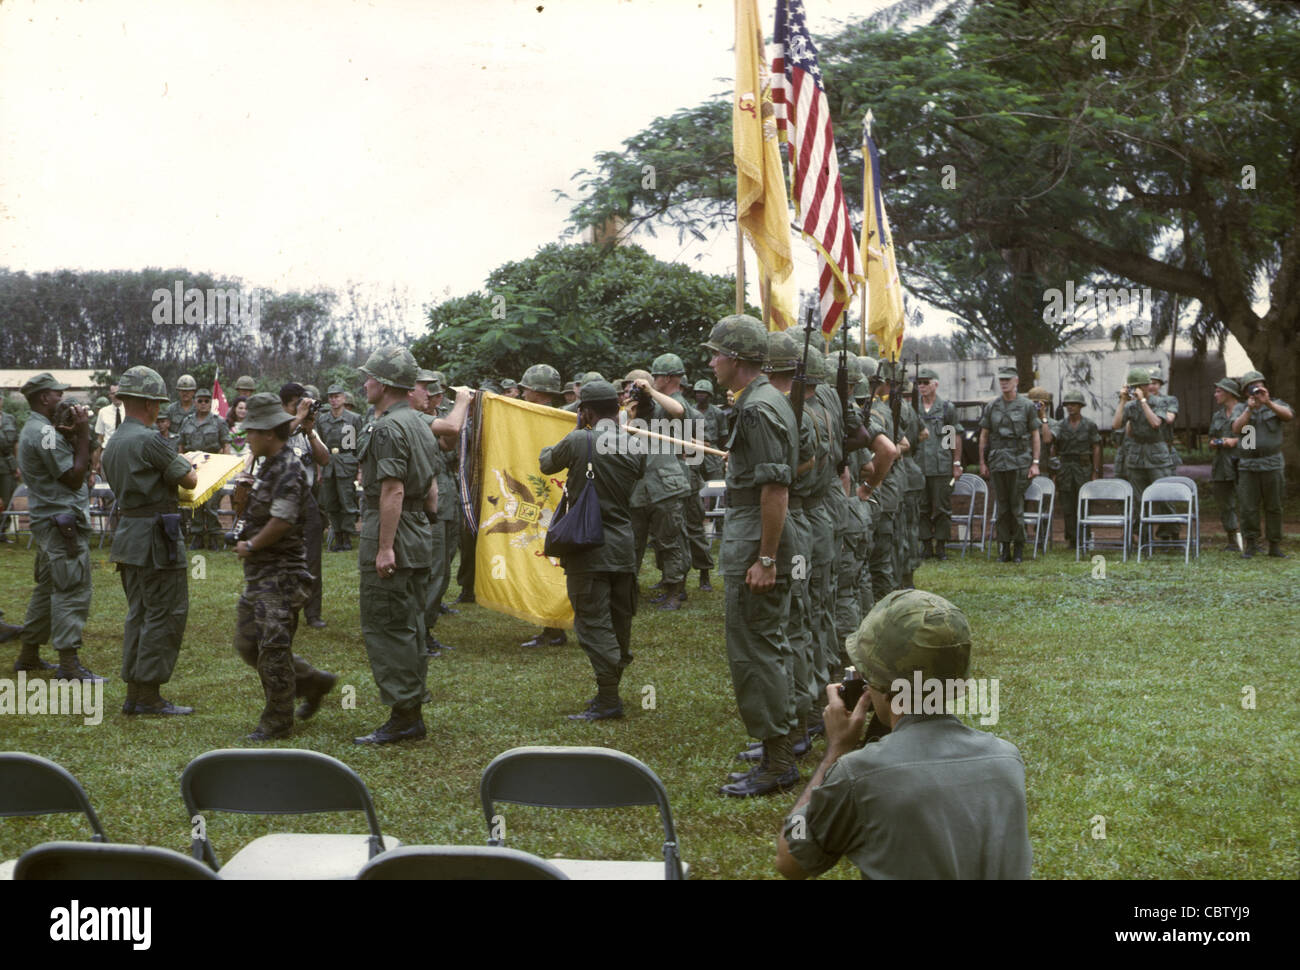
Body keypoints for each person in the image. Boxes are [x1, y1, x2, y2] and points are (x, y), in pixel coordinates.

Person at [775, 589, 1032, 880]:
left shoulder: (859, 774)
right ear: (959, 684)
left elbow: (789, 860)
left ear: (878, 687)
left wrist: (835, 752)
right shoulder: (1007, 759)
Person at [705, 314, 800, 798]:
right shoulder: (763, 401)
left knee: (755, 651)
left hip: (757, 539)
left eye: (718, 353)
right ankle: (774, 752)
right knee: (764, 645)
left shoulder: (759, 408)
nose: (712, 360)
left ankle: (778, 762)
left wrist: (765, 558)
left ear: (738, 359)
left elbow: (775, 488)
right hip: (755, 534)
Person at [232, 393, 338, 740]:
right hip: (261, 574)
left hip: (281, 576)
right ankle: (313, 682)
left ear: (268, 433)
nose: (247, 438)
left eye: (251, 432)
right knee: (249, 643)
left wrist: (251, 544)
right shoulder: (267, 465)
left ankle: (278, 721)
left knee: (273, 651)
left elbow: (282, 520)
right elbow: (257, 513)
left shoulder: (289, 468)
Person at [539, 380, 645, 720]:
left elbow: (546, 463)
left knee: (593, 621)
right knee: (619, 619)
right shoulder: (633, 445)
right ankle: (608, 691)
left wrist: (578, 430)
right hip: (623, 547)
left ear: (585, 411)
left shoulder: (578, 439)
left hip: (588, 545)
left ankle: (609, 699)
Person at [353, 345, 440, 745]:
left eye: (369, 377)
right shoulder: (422, 422)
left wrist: (385, 547)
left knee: (388, 625)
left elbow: (392, 489)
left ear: (385, 384)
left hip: (393, 530)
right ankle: (410, 709)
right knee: (412, 623)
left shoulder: (386, 427)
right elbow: (432, 490)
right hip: (419, 530)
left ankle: (404, 715)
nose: (365, 383)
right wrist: (423, 519)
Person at [101, 366, 198, 715]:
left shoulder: (113, 441)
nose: (160, 409)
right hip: (158, 538)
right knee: (166, 612)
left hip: (128, 535)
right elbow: (188, 480)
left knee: (139, 613)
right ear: (150, 404)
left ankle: (135, 691)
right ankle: (149, 696)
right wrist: (187, 462)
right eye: (157, 403)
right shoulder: (149, 438)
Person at [13, 373, 102, 680]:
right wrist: (84, 435)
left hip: (49, 520)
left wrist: (72, 436)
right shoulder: (43, 433)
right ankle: (68, 664)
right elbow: (74, 476)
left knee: (48, 587)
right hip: (61, 522)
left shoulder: (38, 429)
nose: (63, 400)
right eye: (57, 394)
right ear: (43, 399)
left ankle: (28, 655)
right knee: (71, 588)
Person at [650, 353, 713, 596]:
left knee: (686, 531)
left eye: (656, 376)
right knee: (671, 531)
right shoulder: (661, 405)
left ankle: (689, 579)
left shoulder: (680, 406)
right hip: (670, 474)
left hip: (683, 475)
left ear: (666, 378)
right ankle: (672, 580)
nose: (653, 379)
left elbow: (694, 448)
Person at [517, 363, 570, 648]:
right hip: (547, 502)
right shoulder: (560, 418)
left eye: (525, 389)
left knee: (554, 564)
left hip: (556, 502)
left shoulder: (562, 420)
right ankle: (552, 625)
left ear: (537, 391)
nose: (522, 394)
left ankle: (557, 625)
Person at [279, 383, 330, 626]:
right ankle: (283, 607)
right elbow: (276, 441)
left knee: (312, 557)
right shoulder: (276, 423)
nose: (301, 409)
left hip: (306, 497)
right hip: (281, 497)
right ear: (285, 405)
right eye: (295, 405)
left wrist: (309, 431)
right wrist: (297, 418)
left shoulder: (307, 429)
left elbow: (324, 458)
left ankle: (313, 612)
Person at [978, 365, 1041, 563]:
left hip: (1020, 460)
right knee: (1002, 506)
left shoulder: (1027, 406)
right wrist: (982, 462)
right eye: (1001, 380)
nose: (1004, 383)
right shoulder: (992, 406)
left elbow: (1035, 435)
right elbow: (984, 435)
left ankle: (1019, 548)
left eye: (1007, 379)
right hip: (998, 461)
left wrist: (1035, 462)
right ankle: (1004, 547)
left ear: (1016, 381)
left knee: (1017, 506)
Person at [1231, 370, 1292, 558]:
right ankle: (1251, 543)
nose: (1257, 389)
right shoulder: (1241, 408)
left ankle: (1274, 544)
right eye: (1252, 387)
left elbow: (1288, 416)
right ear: (1245, 392)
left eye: (1259, 385)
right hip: (1249, 464)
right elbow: (1236, 428)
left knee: (1274, 505)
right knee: (1248, 505)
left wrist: (1268, 403)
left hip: (1272, 462)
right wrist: (1249, 409)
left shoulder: (1276, 404)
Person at [1111, 367, 1171, 547]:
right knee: (1139, 499)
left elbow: (1155, 423)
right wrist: (1122, 401)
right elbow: (1116, 425)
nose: (1136, 390)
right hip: (1136, 455)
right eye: (1133, 387)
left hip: (1156, 453)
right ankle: (1144, 538)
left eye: (1139, 386)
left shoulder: (1159, 402)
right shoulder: (1129, 406)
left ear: (1145, 387)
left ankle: (1167, 535)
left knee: (1164, 496)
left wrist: (1143, 401)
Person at [915, 367, 961, 560]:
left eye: (926, 382)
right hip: (918, 467)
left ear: (936, 384)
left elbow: (953, 437)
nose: (922, 386)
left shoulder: (945, 408)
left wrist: (956, 462)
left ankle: (941, 545)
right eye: (919, 383)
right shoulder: (913, 408)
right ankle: (926, 545)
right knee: (921, 507)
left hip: (941, 467)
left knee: (942, 507)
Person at [179, 387, 232, 550]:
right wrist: (181, 465)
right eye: (200, 400)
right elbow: (181, 445)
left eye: (206, 401)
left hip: (212, 466)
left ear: (211, 403)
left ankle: (214, 537)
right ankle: (197, 537)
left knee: (211, 504)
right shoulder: (187, 421)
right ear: (195, 402)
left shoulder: (218, 421)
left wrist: (223, 466)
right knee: (196, 502)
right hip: (192, 467)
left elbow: (226, 445)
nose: (203, 404)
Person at [1052, 389, 1102, 548]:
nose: (1070, 407)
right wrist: (1055, 470)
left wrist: (1095, 471)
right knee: (1067, 505)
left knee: (1084, 504)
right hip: (1065, 468)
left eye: (1074, 404)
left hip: (1083, 468)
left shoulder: (1089, 425)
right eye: (1067, 404)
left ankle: (1085, 537)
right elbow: (1053, 446)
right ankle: (1072, 539)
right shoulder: (1060, 425)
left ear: (1081, 406)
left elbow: (1096, 448)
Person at [317, 383, 363, 551]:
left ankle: (347, 538)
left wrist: (360, 471)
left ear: (344, 398)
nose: (334, 400)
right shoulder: (322, 419)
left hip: (347, 462)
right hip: (328, 463)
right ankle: (337, 536)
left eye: (337, 396)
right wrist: (319, 471)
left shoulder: (354, 419)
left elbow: (359, 446)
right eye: (331, 397)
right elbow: (319, 446)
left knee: (347, 501)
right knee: (331, 502)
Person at [1207, 378, 1244, 551]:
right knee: (1224, 503)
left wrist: (1234, 442)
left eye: (1218, 391)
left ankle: (1250, 539)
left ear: (1229, 393)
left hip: (1242, 462)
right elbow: (1211, 438)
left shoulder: (1245, 411)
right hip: (1221, 464)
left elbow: (1251, 441)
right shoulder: (1218, 415)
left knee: (1246, 501)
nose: (1215, 395)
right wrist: (1215, 442)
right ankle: (1232, 540)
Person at [0, 403, 20, 543]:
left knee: (6, 499)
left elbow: (16, 443)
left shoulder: (9, 419)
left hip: (7, 464)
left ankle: (2, 531)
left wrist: (17, 464)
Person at [93, 382, 123, 447]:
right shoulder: (103, 412)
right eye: (113, 393)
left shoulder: (130, 411)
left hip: (125, 451)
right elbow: (100, 437)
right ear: (109, 395)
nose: (116, 396)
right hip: (108, 451)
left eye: (118, 393)